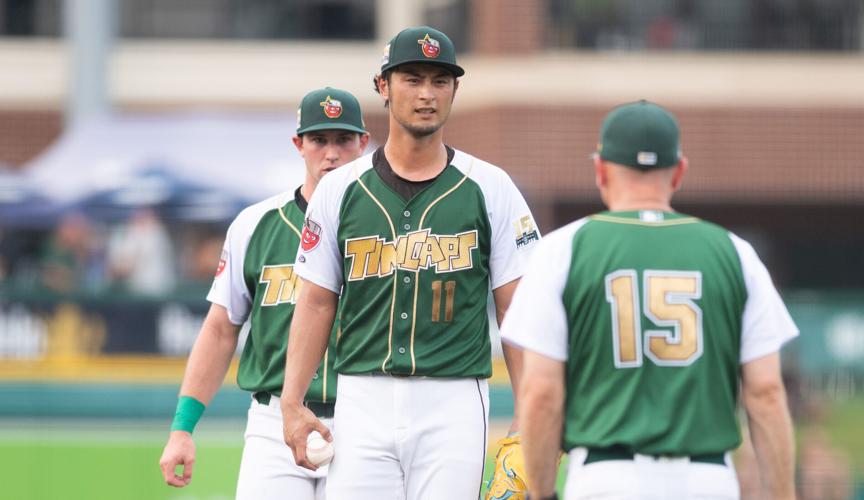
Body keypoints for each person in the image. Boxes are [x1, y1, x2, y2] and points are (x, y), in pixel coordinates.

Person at [280, 26, 540, 500]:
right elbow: (316, 302)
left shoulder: (490, 186)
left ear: (455, 89)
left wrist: (529, 418)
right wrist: (292, 401)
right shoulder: (340, 189)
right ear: (383, 86)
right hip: (361, 396)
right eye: (412, 79)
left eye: (440, 81)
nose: (426, 94)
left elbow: (518, 311)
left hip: (454, 399)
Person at [501, 100, 799, 500]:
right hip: (705, 478)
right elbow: (765, 393)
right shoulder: (734, 252)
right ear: (679, 172)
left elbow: (541, 392)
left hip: (606, 477)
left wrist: (541, 493)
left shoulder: (562, 251)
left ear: (601, 170)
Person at [158, 87, 369, 499]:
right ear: (299, 144)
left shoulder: (388, 224)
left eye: (343, 139)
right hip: (275, 424)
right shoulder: (255, 224)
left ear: (362, 143)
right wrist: (182, 427)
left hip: (362, 419)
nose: (331, 153)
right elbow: (220, 330)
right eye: (318, 140)